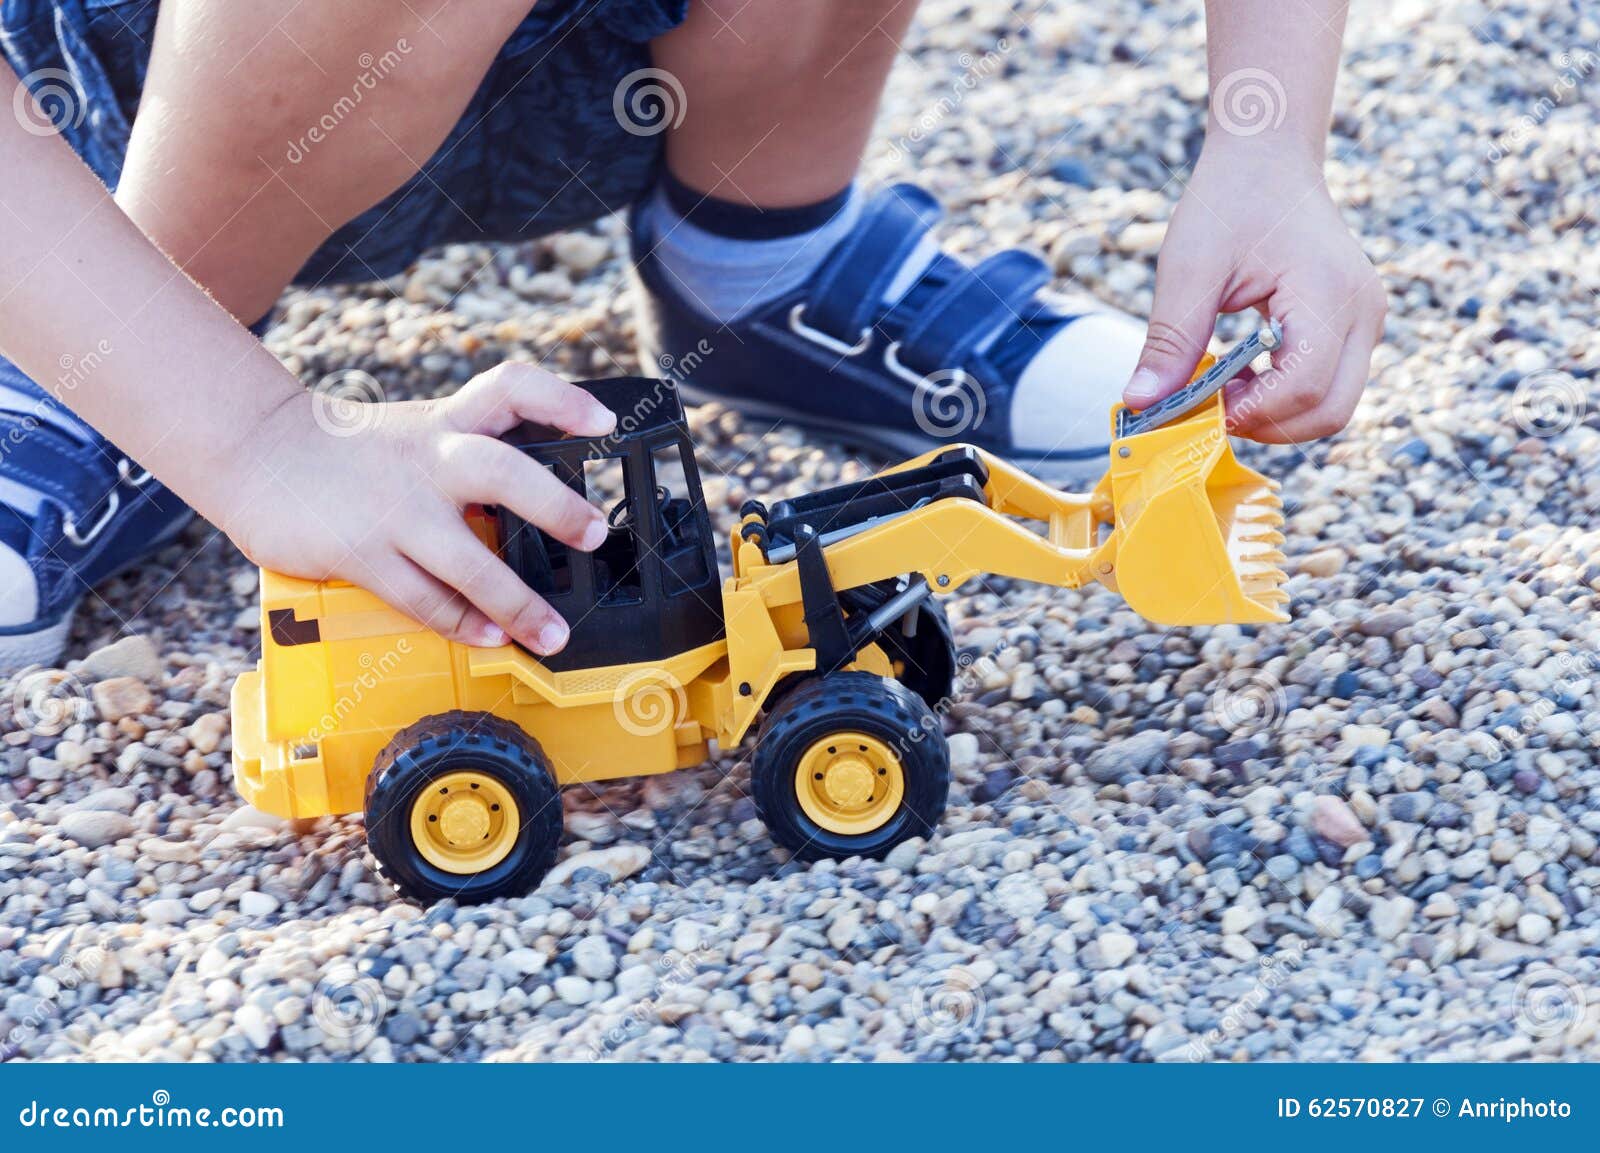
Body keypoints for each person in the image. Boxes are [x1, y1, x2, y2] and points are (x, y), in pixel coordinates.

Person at [0, 0, 1385, 673]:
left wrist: (1270, 144)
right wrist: (257, 439)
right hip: (134, 120)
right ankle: (111, 361)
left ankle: (762, 244)